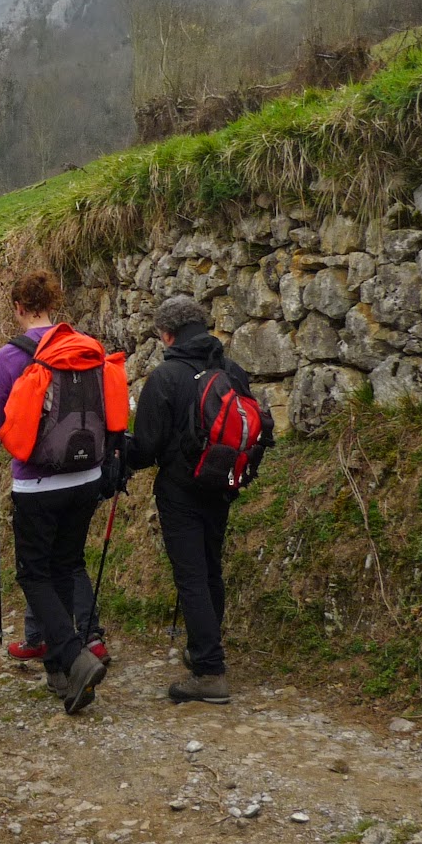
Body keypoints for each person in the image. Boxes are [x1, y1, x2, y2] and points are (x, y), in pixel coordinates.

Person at [0, 270, 122, 714]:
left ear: (19, 308)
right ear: (53, 304)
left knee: (34, 573)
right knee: (65, 567)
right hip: (87, 477)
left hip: (36, 481)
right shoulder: (85, 348)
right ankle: (62, 671)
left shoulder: (10, 356)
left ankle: (74, 657)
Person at [125, 296, 273, 705]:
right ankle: (202, 650)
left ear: (167, 334)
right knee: (210, 570)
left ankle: (209, 670)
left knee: (191, 576)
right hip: (223, 485)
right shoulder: (232, 369)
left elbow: (146, 448)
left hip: (180, 491)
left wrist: (122, 453)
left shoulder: (166, 377)